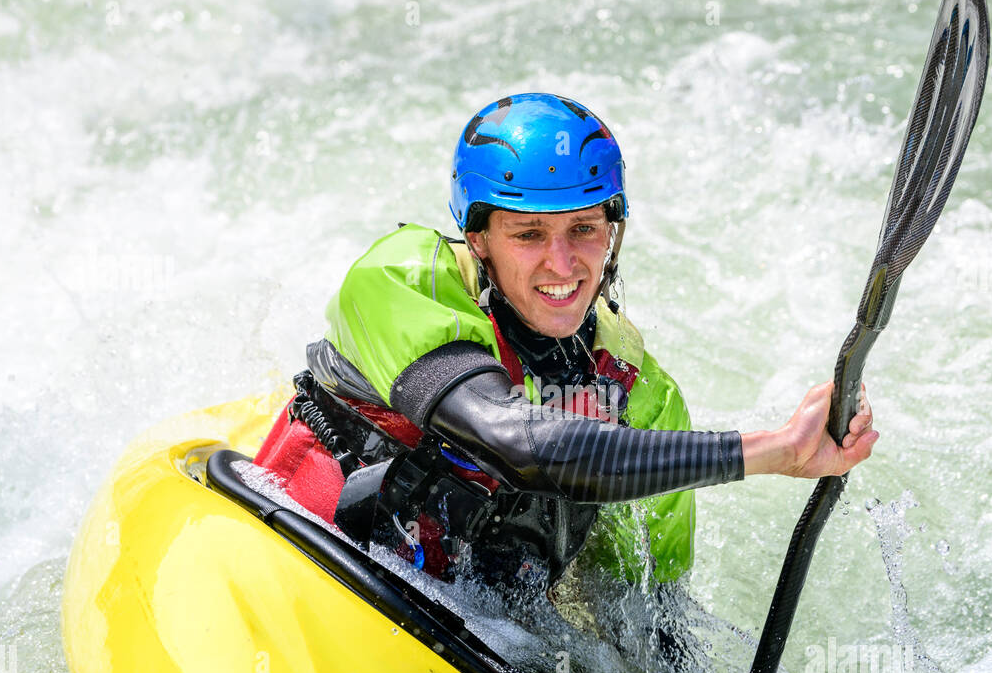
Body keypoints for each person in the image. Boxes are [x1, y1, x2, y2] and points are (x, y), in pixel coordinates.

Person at [253, 92, 877, 591]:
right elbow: (514, 440)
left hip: (475, 640)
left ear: (612, 233)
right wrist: (774, 450)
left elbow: (646, 618)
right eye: (527, 234)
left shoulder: (640, 396)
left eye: (583, 228)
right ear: (478, 237)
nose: (562, 263)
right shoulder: (404, 281)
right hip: (312, 555)